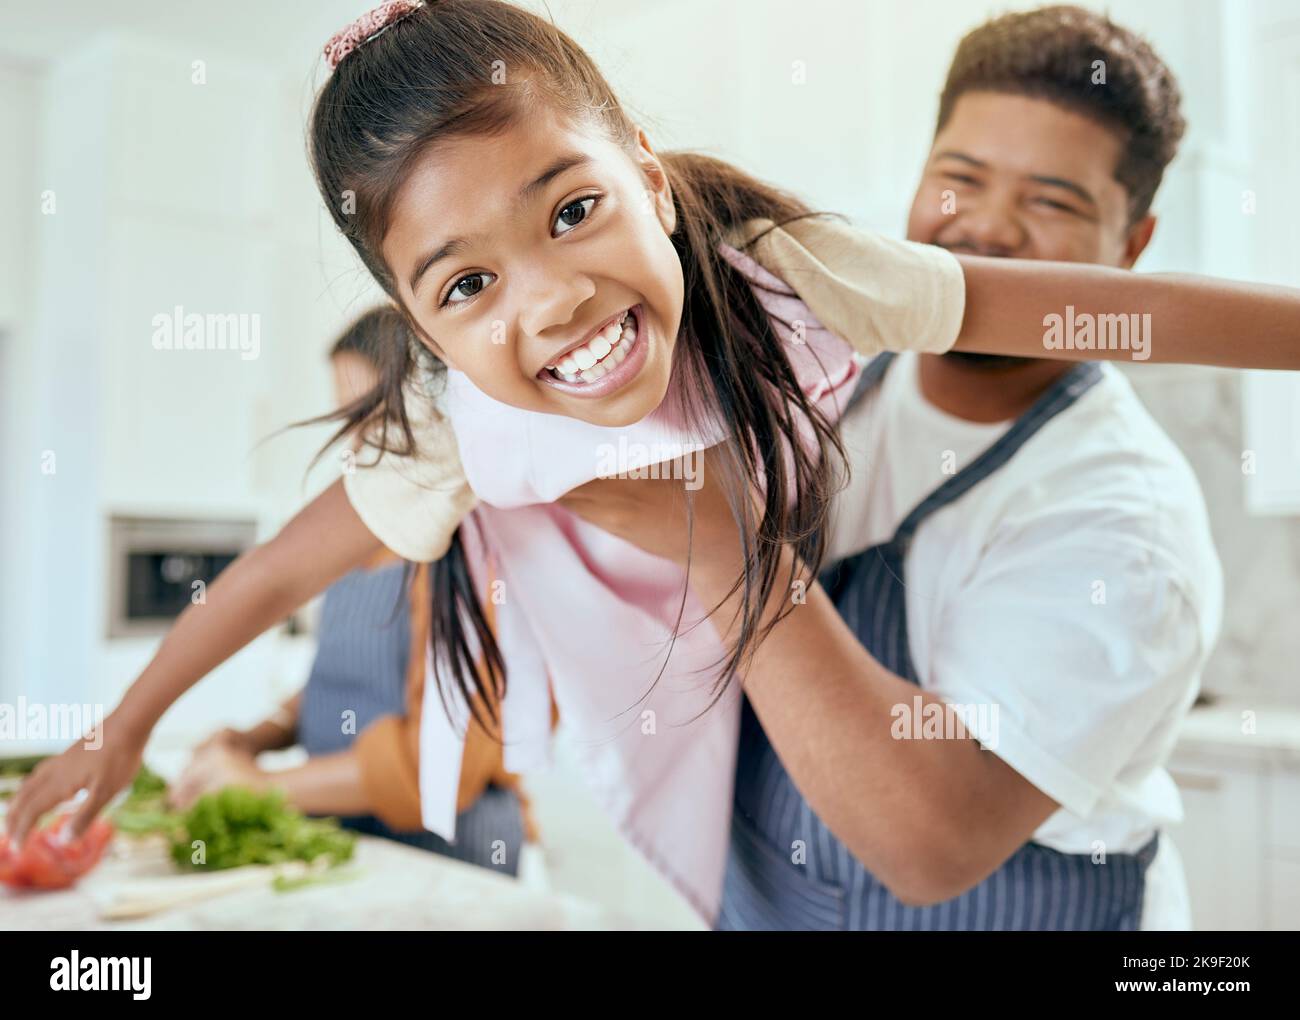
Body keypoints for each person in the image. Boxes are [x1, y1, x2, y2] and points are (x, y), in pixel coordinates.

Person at [10, 0, 1300, 925]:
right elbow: (292, 560)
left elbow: (1119, 315)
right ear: (424, 330)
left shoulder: (799, 275)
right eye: (467, 284)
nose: (554, 302)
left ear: (645, 173)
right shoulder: (464, 416)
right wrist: (124, 725)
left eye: (573, 211)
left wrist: (712, 539)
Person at [561, 4, 1222, 930]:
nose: (987, 228)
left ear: (1133, 248)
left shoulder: (1122, 516)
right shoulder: (821, 369)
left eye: (1052, 202)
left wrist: (728, 549)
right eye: (960, 179)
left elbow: (931, 843)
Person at [172, 308, 538, 875]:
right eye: (346, 416)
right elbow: (348, 683)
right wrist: (257, 738)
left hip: (451, 853)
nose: (356, 438)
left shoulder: (471, 550)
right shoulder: (360, 542)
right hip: (351, 841)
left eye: (371, 412)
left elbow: (445, 762)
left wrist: (262, 785)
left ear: (432, 406)